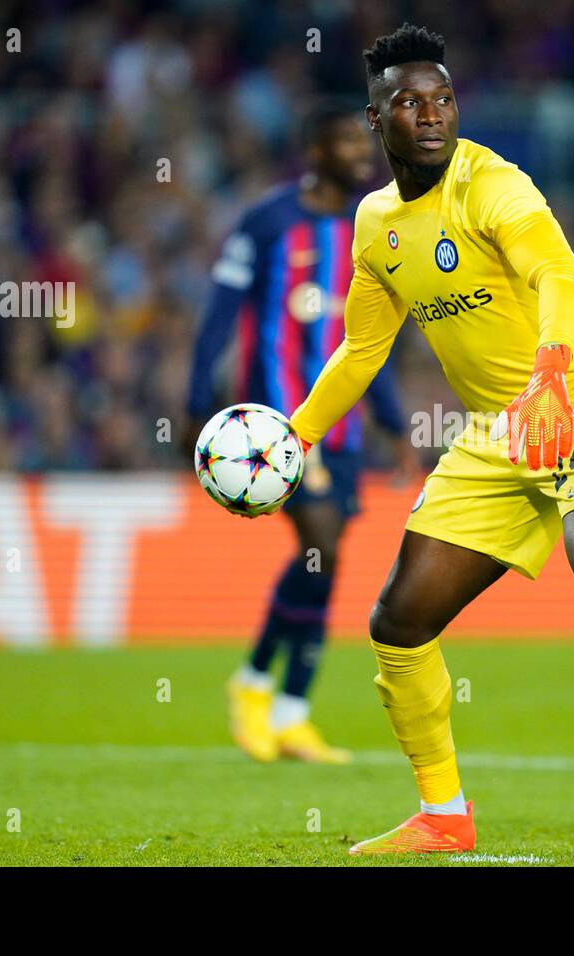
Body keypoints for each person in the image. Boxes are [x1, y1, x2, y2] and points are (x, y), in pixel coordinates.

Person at [283, 24, 574, 860]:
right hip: (501, 434)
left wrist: (551, 370)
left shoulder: (494, 182)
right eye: (409, 103)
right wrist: (298, 436)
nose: (433, 115)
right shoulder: (377, 225)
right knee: (398, 622)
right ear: (377, 121)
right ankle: (443, 814)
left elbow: (562, 276)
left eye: (443, 99)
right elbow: (362, 349)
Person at [187, 102, 415, 765]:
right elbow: (217, 318)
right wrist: (196, 400)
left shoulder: (371, 229)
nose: (361, 154)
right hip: (274, 424)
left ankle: (282, 708)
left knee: (324, 560)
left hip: (342, 430)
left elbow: (368, 343)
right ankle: (263, 690)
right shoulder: (265, 222)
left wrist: (394, 423)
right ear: (314, 152)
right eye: (346, 142)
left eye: (361, 142)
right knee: (321, 547)